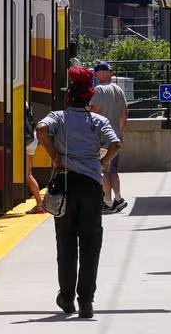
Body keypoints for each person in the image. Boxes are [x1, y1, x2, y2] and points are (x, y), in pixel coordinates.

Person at [37, 67, 120, 320]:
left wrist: (55, 157)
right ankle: (86, 301)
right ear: (89, 100)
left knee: (66, 244)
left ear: (68, 98)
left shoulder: (58, 117)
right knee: (90, 244)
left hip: (65, 184)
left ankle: (66, 297)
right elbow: (115, 143)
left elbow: (41, 129)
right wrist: (105, 162)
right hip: (92, 186)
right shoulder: (98, 122)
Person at [88, 61, 129, 213]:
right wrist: (121, 132)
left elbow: (95, 112)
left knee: (104, 169)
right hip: (115, 136)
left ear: (100, 73)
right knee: (113, 170)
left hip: (102, 138)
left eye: (96, 72)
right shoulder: (118, 90)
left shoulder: (98, 90)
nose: (95, 75)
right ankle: (118, 198)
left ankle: (108, 202)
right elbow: (124, 113)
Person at [23, 104, 46, 214]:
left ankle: (40, 204)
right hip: (31, 138)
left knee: (27, 175)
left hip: (26, 140)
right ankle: (39, 204)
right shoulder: (25, 102)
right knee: (28, 174)